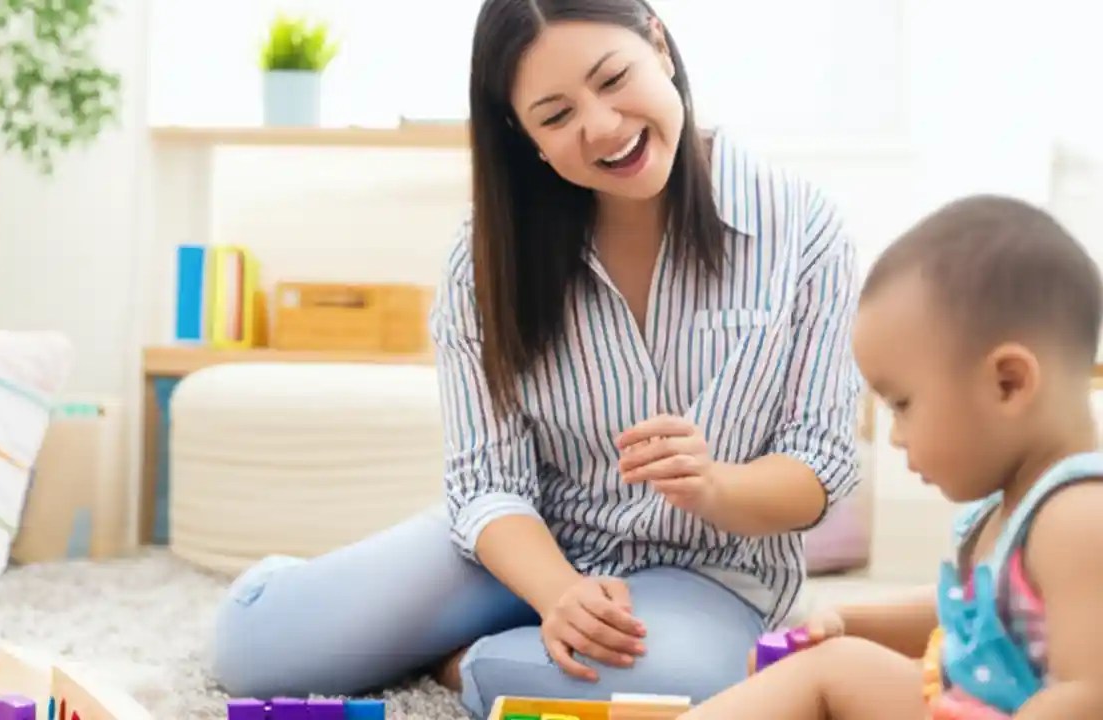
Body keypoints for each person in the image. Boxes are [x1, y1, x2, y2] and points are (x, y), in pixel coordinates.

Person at [210, 0, 864, 716]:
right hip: (524, 548)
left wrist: (716, 485)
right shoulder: (484, 259)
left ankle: (462, 658)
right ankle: (407, 611)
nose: (603, 127)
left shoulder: (803, 230)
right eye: (556, 117)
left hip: (711, 576)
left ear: (659, 47)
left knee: (701, 693)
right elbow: (487, 482)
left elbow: (819, 467)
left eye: (613, 78)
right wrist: (554, 591)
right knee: (257, 655)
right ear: (525, 139)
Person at [679, 194, 1103, 719]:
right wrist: (853, 621)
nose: (897, 436)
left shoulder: (1079, 519)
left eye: (903, 404)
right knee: (830, 666)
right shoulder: (1015, 506)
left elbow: (1088, 696)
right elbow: (968, 613)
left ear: (1008, 383)